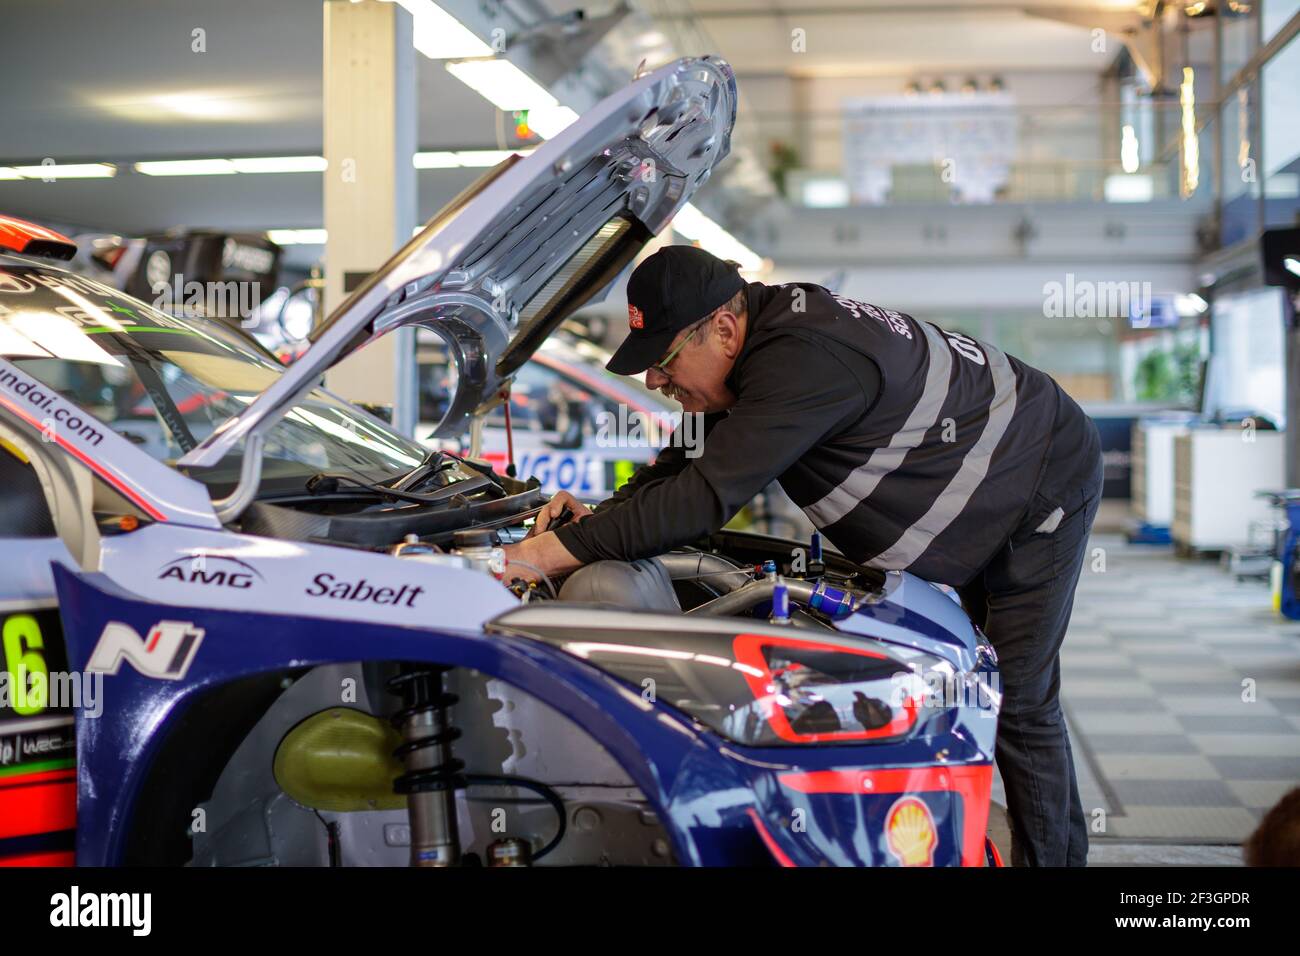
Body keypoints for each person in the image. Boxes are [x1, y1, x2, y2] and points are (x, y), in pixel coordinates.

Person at [504, 245, 1103, 866]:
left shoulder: (804, 361)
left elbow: (704, 498)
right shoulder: (762, 350)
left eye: (662, 359)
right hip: (992, 481)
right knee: (978, 673)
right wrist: (594, 524)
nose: (654, 381)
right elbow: (682, 467)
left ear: (725, 329)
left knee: (1019, 697)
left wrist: (543, 556)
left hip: (1040, 479)